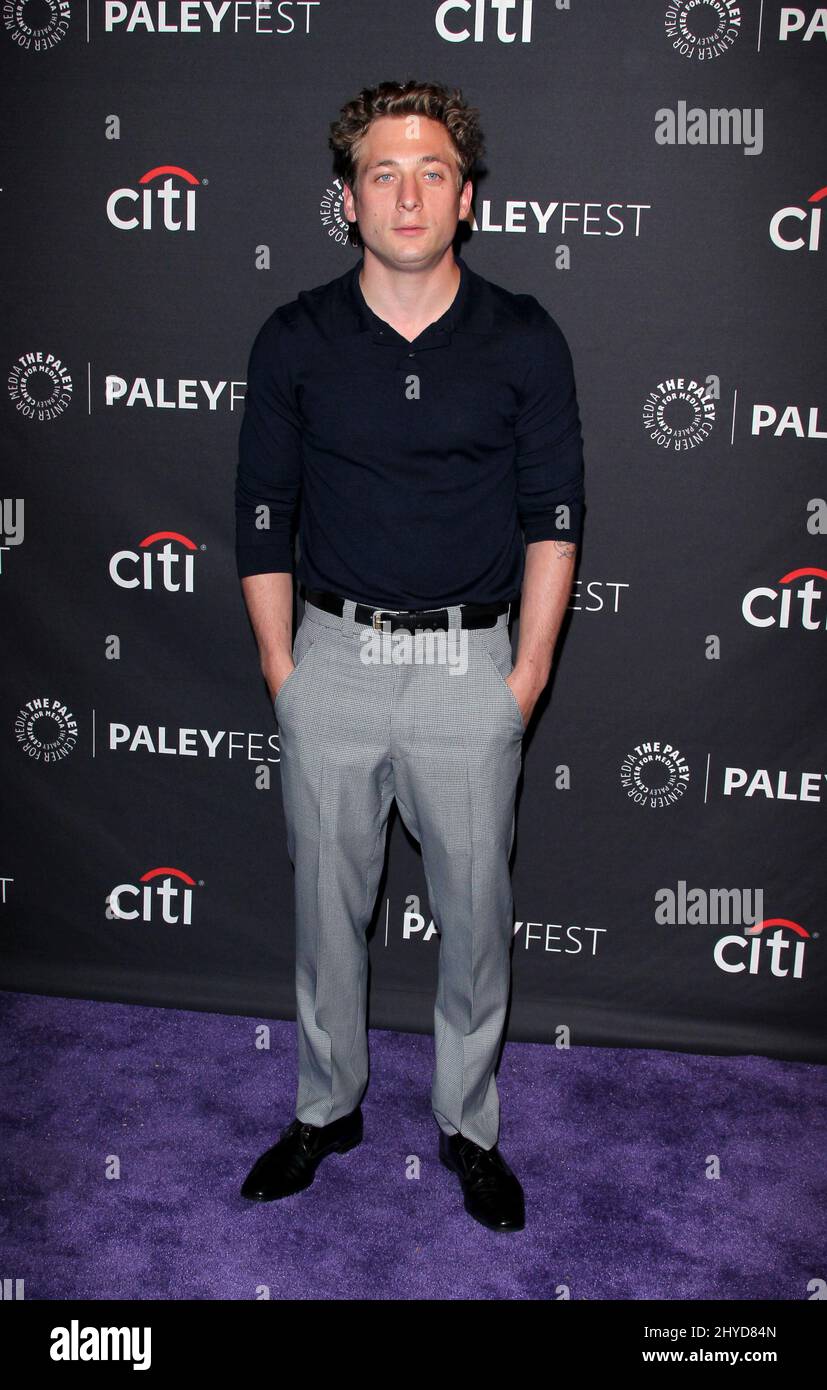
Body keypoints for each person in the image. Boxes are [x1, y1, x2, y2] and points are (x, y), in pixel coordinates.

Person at [235, 79, 585, 1232]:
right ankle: (325, 1108)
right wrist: (288, 678)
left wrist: (521, 679)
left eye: (431, 169)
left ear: (465, 196)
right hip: (329, 662)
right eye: (382, 171)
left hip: (467, 670)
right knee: (324, 912)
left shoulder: (524, 336)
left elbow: (552, 519)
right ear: (346, 198)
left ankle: (466, 1124)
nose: (407, 191)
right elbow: (259, 514)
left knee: (475, 920)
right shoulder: (292, 336)